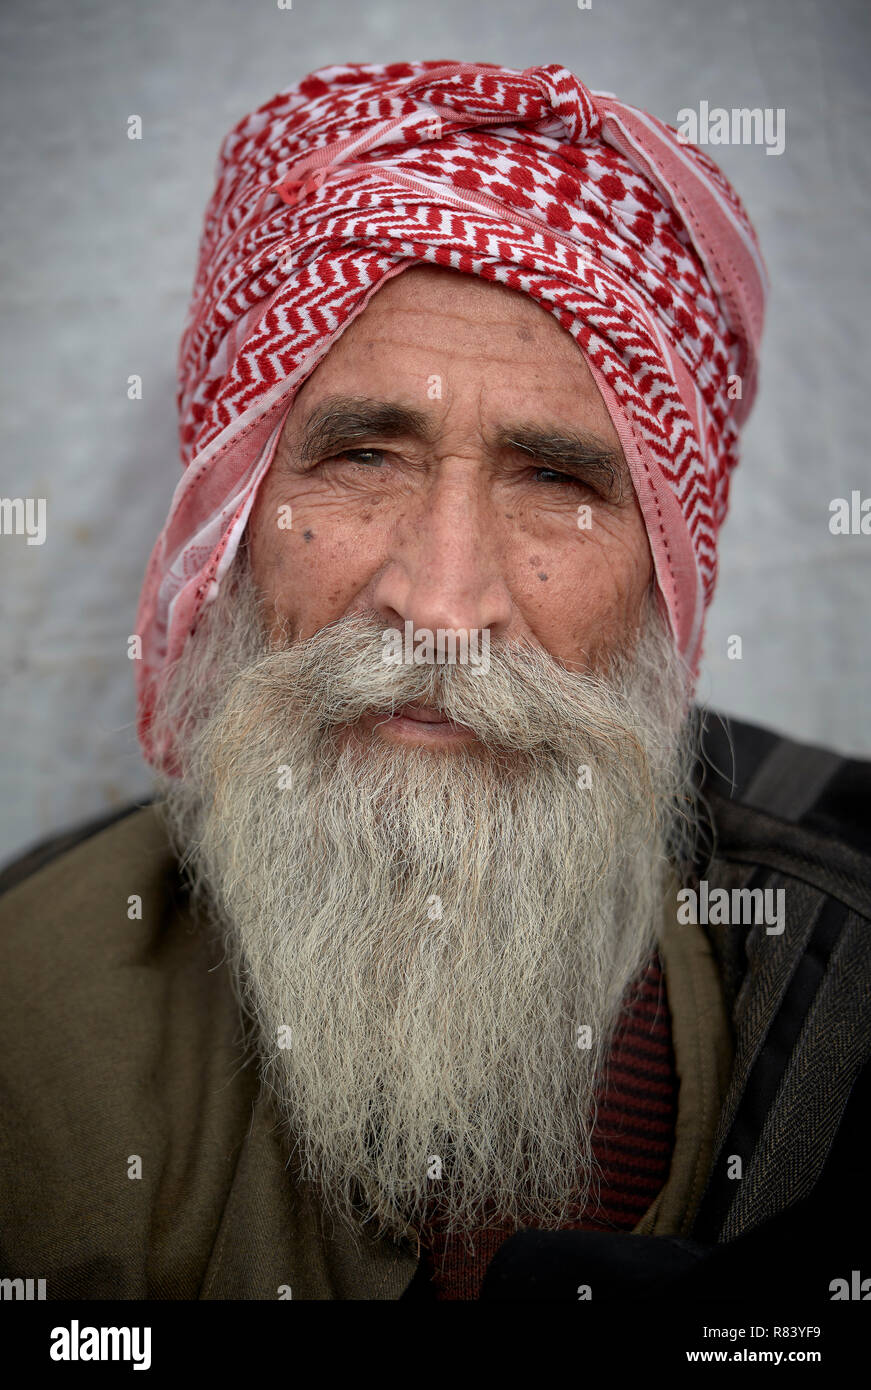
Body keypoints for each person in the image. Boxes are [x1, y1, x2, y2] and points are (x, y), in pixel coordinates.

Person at [1, 59, 868, 1303]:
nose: (446, 603)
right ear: (233, 521)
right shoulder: (30, 1024)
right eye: (360, 456)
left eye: (558, 483)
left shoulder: (843, 942)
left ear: (667, 572)